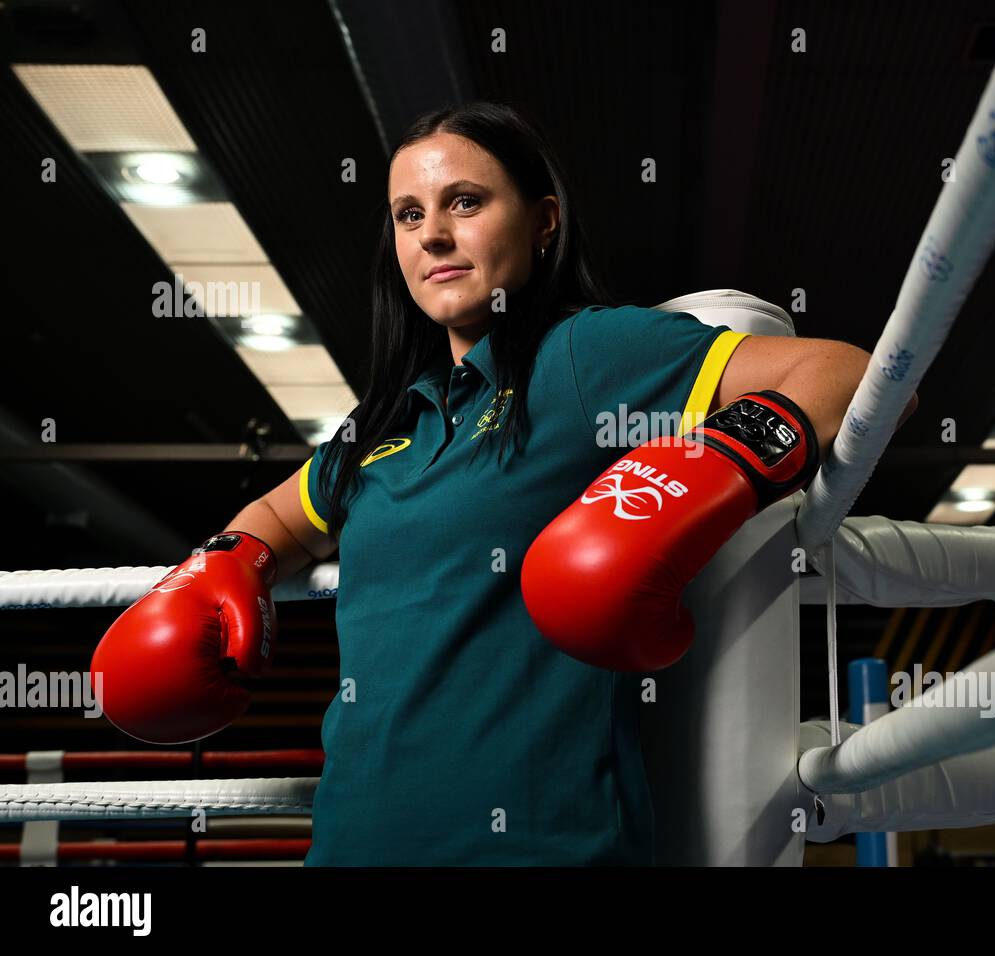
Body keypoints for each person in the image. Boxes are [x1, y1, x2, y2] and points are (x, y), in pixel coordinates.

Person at [92, 100, 917, 865]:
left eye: (466, 203)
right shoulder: (385, 418)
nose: (433, 236)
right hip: (352, 843)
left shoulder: (584, 357)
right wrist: (235, 557)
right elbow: (280, 512)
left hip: (539, 846)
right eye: (410, 215)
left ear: (543, 223)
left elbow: (858, 376)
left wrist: (709, 467)